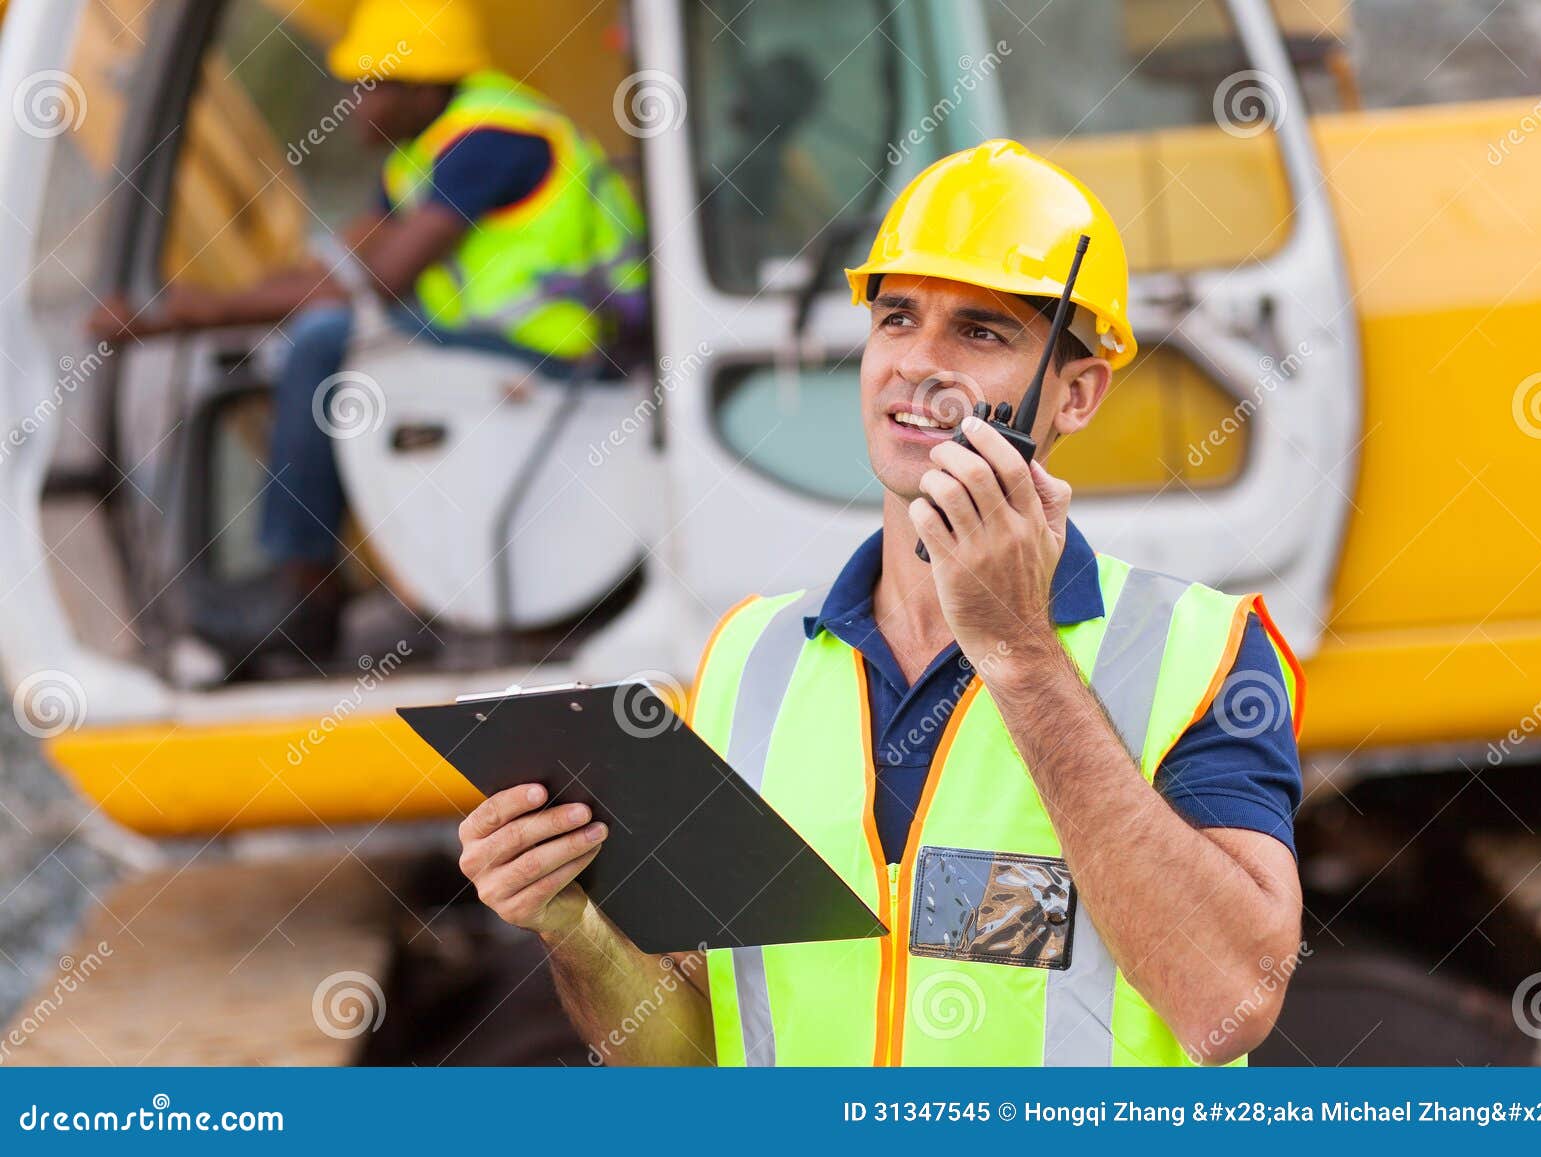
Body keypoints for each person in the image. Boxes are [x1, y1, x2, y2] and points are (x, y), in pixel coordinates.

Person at [456, 140, 1305, 1067]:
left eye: (981, 332)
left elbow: (1227, 1005)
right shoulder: (753, 657)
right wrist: (575, 929)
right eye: (897, 318)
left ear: (1077, 394)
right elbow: (703, 1058)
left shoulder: (1196, 652)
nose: (919, 365)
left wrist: (1020, 650)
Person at [90, 0, 647, 659]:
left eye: (370, 87)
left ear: (422, 88)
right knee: (313, 332)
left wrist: (190, 315)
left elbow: (379, 280)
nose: (354, 105)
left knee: (324, 340)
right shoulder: (425, 152)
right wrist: (196, 305)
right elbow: (336, 263)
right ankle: (351, 580)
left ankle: (306, 591)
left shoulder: (493, 142)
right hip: (503, 346)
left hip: (567, 353)